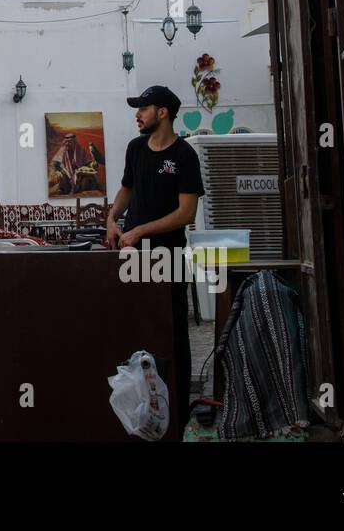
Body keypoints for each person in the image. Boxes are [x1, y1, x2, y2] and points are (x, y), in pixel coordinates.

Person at [104, 85, 205, 440]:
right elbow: (126, 190)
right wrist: (113, 219)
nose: (137, 114)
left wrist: (140, 230)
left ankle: (175, 416)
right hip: (135, 257)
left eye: (143, 108)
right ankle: (142, 408)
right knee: (138, 329)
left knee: (173, 333)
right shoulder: (135, 149)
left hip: (170, 257)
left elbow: (186, 214)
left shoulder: (184, 155)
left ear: (163, 112)